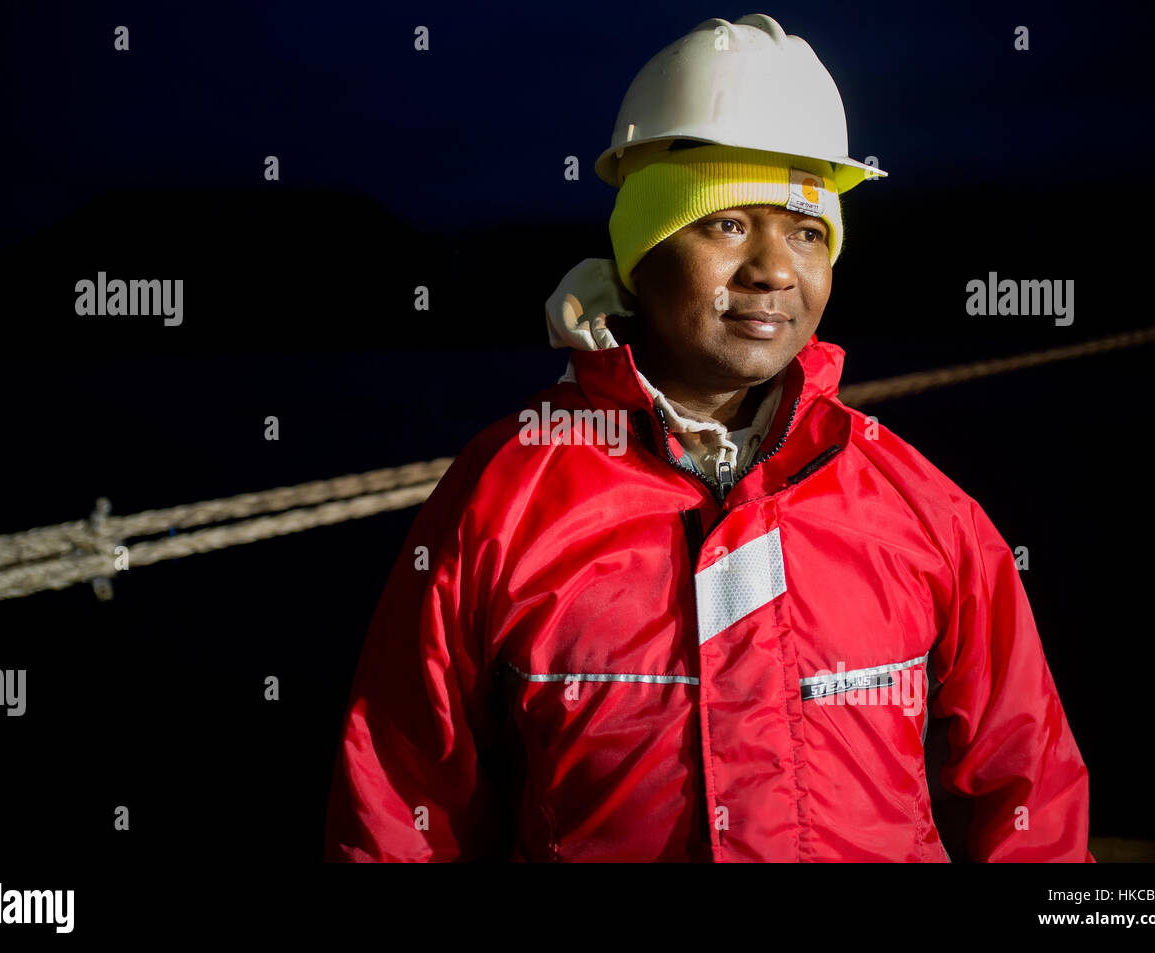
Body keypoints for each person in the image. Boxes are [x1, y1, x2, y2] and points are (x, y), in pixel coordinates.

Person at [323, 13, 1093, 862]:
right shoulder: (505, 497)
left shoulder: (921, 508)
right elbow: (401, 803)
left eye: (807, 231)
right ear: (641, 255)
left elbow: (1030, 789)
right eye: (727, 223)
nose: (774, 268)